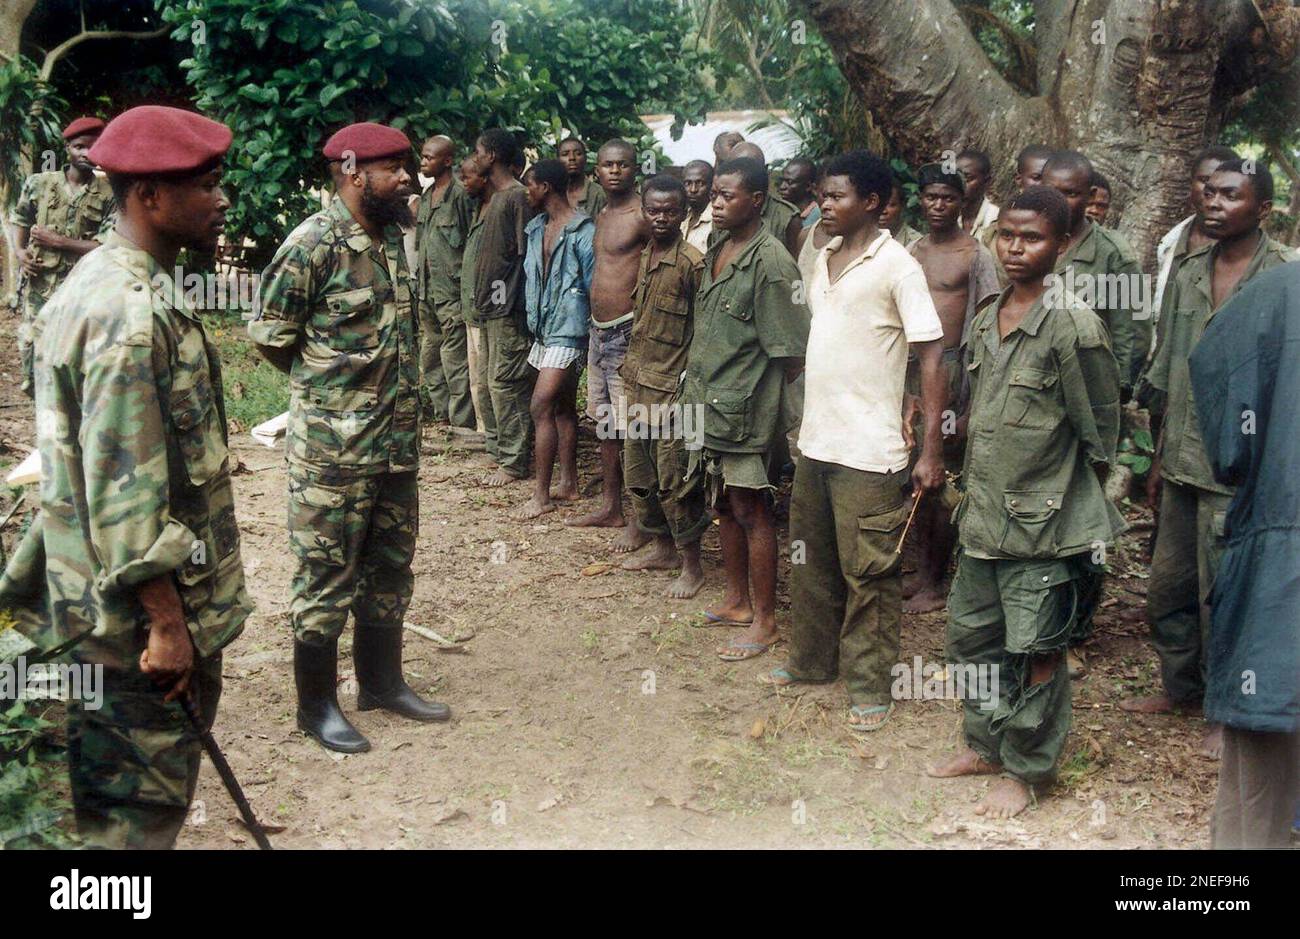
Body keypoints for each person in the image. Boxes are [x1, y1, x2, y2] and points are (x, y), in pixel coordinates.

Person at [0, 106, 252, 847]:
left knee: (118, 808)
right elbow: (123, 491)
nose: (222, 200)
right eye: (205, 186)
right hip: (130, 629)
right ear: (149, 196)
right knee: (131, 823)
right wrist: (168, 624)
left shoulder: (109, 279)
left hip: (101, 607)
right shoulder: (128, 312)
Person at [251, 122, 449, 754]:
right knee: (325, 573)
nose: (408, 178)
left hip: (395, 443)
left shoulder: (393, 237)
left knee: (390, 564)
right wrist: (331, 393)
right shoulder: (312, 244)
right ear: (353, 170)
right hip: (332, 453)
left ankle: (382, 683)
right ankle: (317, 707)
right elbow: (271, 334)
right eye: (394, 168)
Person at [927, 185, 1123, 818]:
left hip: (1044, 526)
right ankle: (984, 744)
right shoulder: (987, 316)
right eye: (1007, 235)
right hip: (983, 518)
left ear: (1062, 244)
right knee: (971, 642)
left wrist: (1061, 501)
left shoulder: (1073, 325)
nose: (1016, 247)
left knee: (1036, 651)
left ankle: (1027, 768)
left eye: (1033, 237)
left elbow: (1099, 434)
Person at [762, 150, 946, 731]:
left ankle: (870, 686)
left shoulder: (898, 267)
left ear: (871, 202)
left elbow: (932, 354)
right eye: (823, 195)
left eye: (837, 196)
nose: (825, 205)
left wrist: (932, 449)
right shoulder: (822, 256)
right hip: (817, 442)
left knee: (869, 572)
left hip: (872, 452)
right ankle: (812, 662)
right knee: (811, 562)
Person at [1121, 161, 1295, 759]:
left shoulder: (1283, 279)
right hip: (1184, 461)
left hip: (1246, 469)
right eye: (1210, 192)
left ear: (1264, 211)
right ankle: (1180, 685)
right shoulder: (1189, 270)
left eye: (1231, 195)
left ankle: (1228, 705)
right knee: (1168, 586)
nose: (1213, 203)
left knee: (1226, 590)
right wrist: (1157, 456)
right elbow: (1168, 368)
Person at [1189, 259, 1300, 848]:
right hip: (1281, 539)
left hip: (1280, 546)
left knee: (1263, 750)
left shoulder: (1277, 291)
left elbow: (1217, 374)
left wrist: (1248, 458)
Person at [683, 156, 809, 661]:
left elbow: (794, 353)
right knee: (722, 505)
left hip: (746, 413)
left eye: (726, 195)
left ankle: (765, 620)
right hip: (708, 403)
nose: (715, 202)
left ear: (756, 201)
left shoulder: (773, 262)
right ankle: (736, 601)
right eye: (714, 193)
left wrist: (767, 413)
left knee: (754, 510)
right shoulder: (720, 244)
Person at [903, 164, 1001, 614]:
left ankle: (937, 582)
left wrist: (970, 406)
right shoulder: (911, 251)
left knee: (941, 477)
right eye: (930, 197)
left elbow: (987, 329)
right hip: (910, 375)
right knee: (914, 475)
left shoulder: (976, 256)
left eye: (947, 198)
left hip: (954, 373)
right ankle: (921, 572)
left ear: (962, 203)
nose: (938, 205)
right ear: (919, 200)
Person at [618, 174, 709, 598]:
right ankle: (662, 548)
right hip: (638, 386)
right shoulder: (645, 255)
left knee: (678, 482)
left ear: (683, 213)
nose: (660, 218)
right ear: (643, 210)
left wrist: (689, 393)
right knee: (640, 474)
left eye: (670, 211)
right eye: (653, 210)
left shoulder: (692, 264)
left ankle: (692, 565)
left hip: (672, 395)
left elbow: (703, 334)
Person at [565, 139, 652, 550]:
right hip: (598, 330)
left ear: (634, 169)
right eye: (606, 165)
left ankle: (642, 519)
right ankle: (611, 506)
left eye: (622, 165)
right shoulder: (601, 212)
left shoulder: (643, 215)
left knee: (633, 426)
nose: (614, 171)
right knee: (605, 424)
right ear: (596, 171)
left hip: (628, 330)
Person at [10, 116, 114, 398]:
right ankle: (40, 407)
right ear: (66, 147)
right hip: (40, 284)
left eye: (93, 148)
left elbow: (107, 244)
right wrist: (20, 253)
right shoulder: (39, 184)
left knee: (76, 350)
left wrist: (58, 241)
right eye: (79, 146)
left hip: (84, 287)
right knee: (33, 345)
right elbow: (19, 219)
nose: (86, 154)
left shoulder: (108, 194)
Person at [515, 159, 595, 520]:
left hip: (571, 330)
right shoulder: (536, 228)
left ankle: (541, 496)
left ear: (545, 187)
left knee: (540, 406)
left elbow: (596, 285)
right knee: (562, 407)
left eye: (528, 184)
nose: (525, 191)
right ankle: (570, 484)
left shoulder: (583, 230)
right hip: (545, 330)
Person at [1042, 150, 1147, 399]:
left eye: (1071, 193)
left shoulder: (1114, 253)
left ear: (1089, 196)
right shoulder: (1027, 241)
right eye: (1052, 192)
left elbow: (1133, 332)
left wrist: (1117, 390)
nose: (1060, 202)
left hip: (1086, 388)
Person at [471, 128, 537, 486]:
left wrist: (516, 304)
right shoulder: (495, 198)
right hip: (492, 308)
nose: (475, 157)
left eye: (478, 152)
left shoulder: (516, 197)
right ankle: (499, 450)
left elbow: (525, 256)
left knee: (506, 382)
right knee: (487, 382)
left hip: (508, 310)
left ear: (492, 155)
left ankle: (514, 460)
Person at [415, 134, 477, 435]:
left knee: (455, 361)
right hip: (426, 292)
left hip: (452, 294)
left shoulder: (462, 196)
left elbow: (471, 243)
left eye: (429, 157)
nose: (423, 162)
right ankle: (441, 417)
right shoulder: (426, 197)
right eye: (423, 157)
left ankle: (460, 424)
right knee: (430, 358)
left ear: (447, 161)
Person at [458, 155, 491, 437]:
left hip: (489, 309)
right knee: (476, 375)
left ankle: (495, 434)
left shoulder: (497, 207)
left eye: (468, 176)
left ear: (485, 178)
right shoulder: (476, 208)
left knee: (491, 376)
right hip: (471, 306)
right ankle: (483, 430)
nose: (463, 182)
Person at [726, 141, 801, 256]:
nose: (741, 177)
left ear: (765, 170)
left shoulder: (786, 218)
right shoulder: (722, 211)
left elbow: (794, 267)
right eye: (735, 170)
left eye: (749, 170)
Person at [957, 148, 999, 244]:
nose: (960, 185)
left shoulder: (996, 219)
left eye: (968, 179)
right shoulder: (948, 219)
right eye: (956, 178)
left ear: (987, 181)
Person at [558, 135, 606, 217]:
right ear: (557, 160)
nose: (572, 158)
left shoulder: (599, 195)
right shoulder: (553, 194)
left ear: (585, 158)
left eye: (578, 154)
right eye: (565, 154)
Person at [879, 175, 923, 248]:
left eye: (891, 205)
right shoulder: (859, 237)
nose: (884, 211)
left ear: (902, 206)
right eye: (879, 204)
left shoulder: (915, 243)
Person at [681, 159, 715, 253]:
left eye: (700, 183)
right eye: (688, 183)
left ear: (712, 185)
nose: (693, 189)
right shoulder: (681, 217)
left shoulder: (717, 220)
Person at [779, 157, 821, 228]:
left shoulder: (819, 218)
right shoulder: (784, 213)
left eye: (789, 182)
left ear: (808, 186)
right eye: (782, 181)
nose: (782, 187)